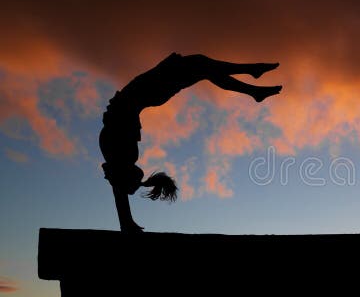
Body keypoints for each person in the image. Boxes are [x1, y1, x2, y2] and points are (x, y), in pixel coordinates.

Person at [99, 52, 281, 233]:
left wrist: (126, 221)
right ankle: (253, 82)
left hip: (147, 90)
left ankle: (253, 84)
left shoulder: (118, 153)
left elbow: (119, 190)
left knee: (202, 66)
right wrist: (126, 222)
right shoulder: (121, 153)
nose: (138, 172)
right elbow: (119, 190)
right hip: (150, 90)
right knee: (201, 65)